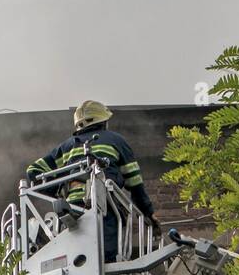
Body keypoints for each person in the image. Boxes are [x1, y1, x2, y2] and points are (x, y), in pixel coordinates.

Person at [25, 99, 160, 259]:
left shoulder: (68, 146)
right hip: (106, 210)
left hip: (72, 210)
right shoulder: (117, 141)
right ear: (104, 122)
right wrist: (148, 215)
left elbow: (33, 171)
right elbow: (135, 183)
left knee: (75, 256)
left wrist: (57, 188)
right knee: (105, 261)